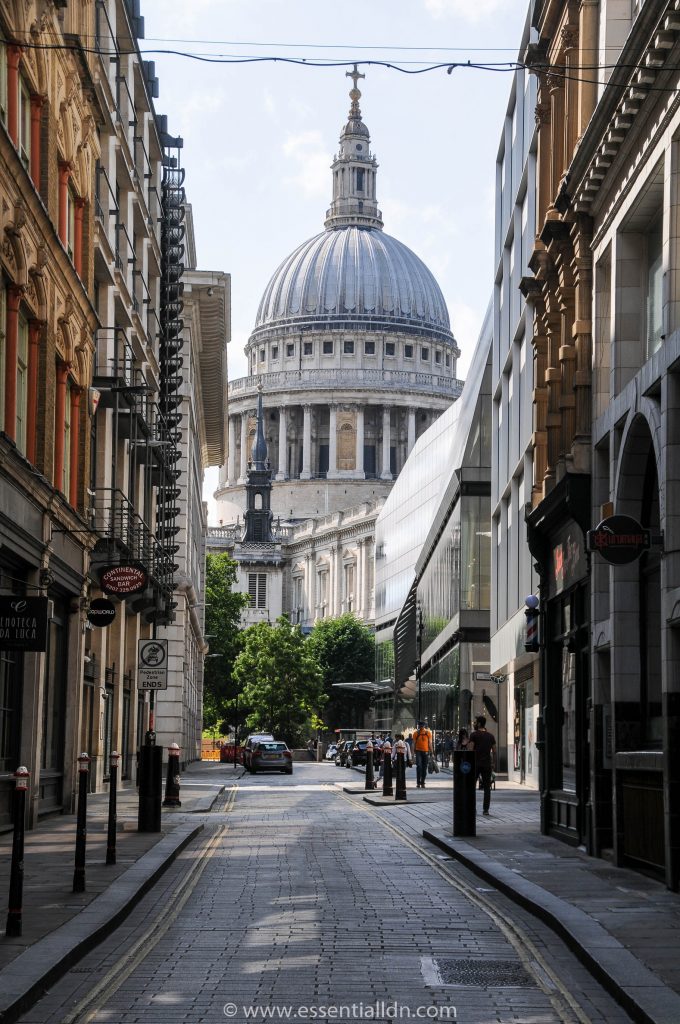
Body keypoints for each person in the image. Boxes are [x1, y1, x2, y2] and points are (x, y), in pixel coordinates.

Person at [468, 715, 496, 815]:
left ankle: (472, 808)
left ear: (479, 723)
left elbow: (470, 750)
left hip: (476, 763)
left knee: (472, 786)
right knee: (487, 788)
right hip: (487, 764)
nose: (474, 724)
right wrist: (493, 763)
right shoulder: (490, 736)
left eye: (475, 722)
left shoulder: (474, 735)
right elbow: (494, 751)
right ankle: (486, 810)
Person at [412, 721, 433, 789]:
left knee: (424, 767)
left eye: (422, 725)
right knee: (419, 766)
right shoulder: (416, 733)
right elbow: (413, 744)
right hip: (419, 751)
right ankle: (419, 782)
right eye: (420, 725)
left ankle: (422, 782)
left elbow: (430, 743)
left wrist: (432, 752)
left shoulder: (428, 733)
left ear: (424, 726)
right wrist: (412, 753)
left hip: (425, 752)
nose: (421, 727)